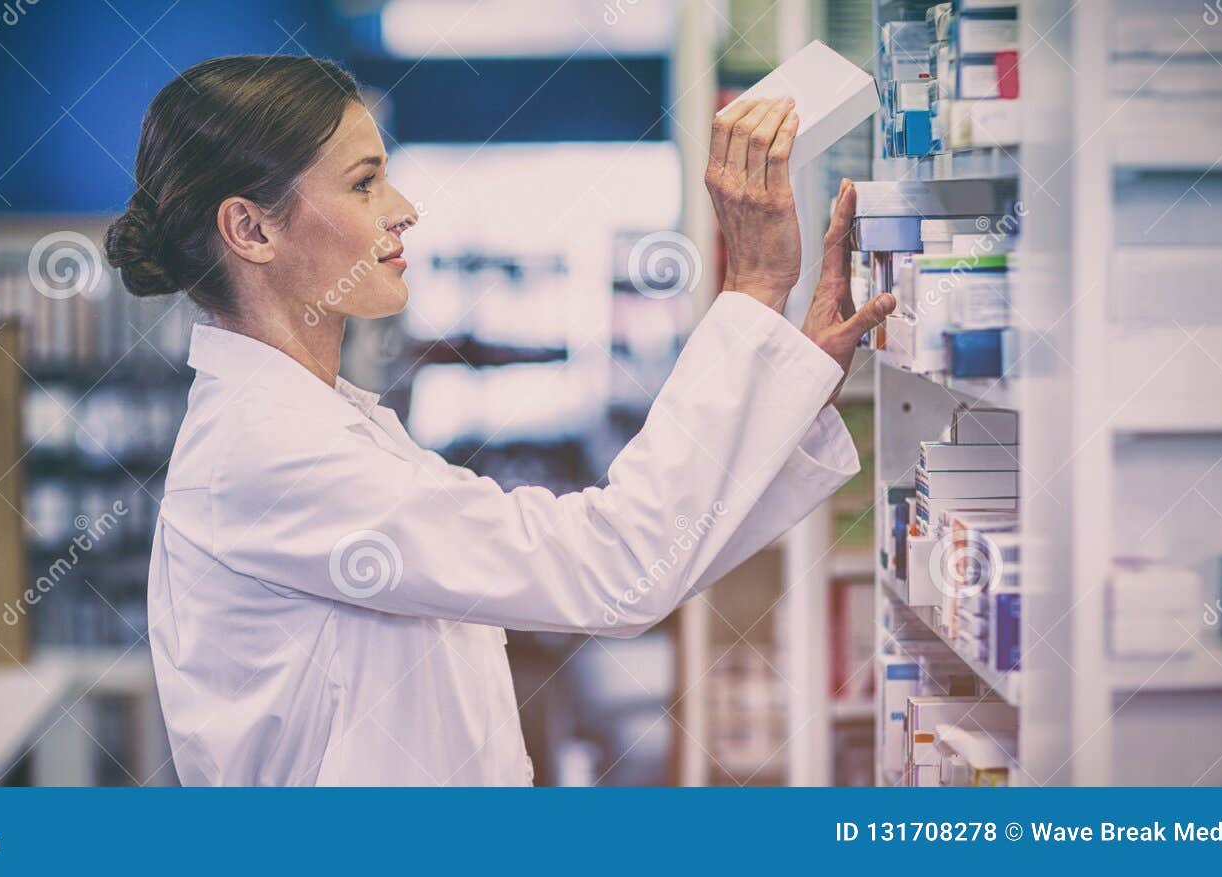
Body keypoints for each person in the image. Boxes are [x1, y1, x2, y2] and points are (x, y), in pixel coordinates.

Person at [106, 55, 895, 786]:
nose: (404, 211)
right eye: (364, 184)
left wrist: (787, 391)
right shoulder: (273, 454)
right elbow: (613, 567)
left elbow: (646, 557)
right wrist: (753, 289)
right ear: (251, 230)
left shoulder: (323, 424)